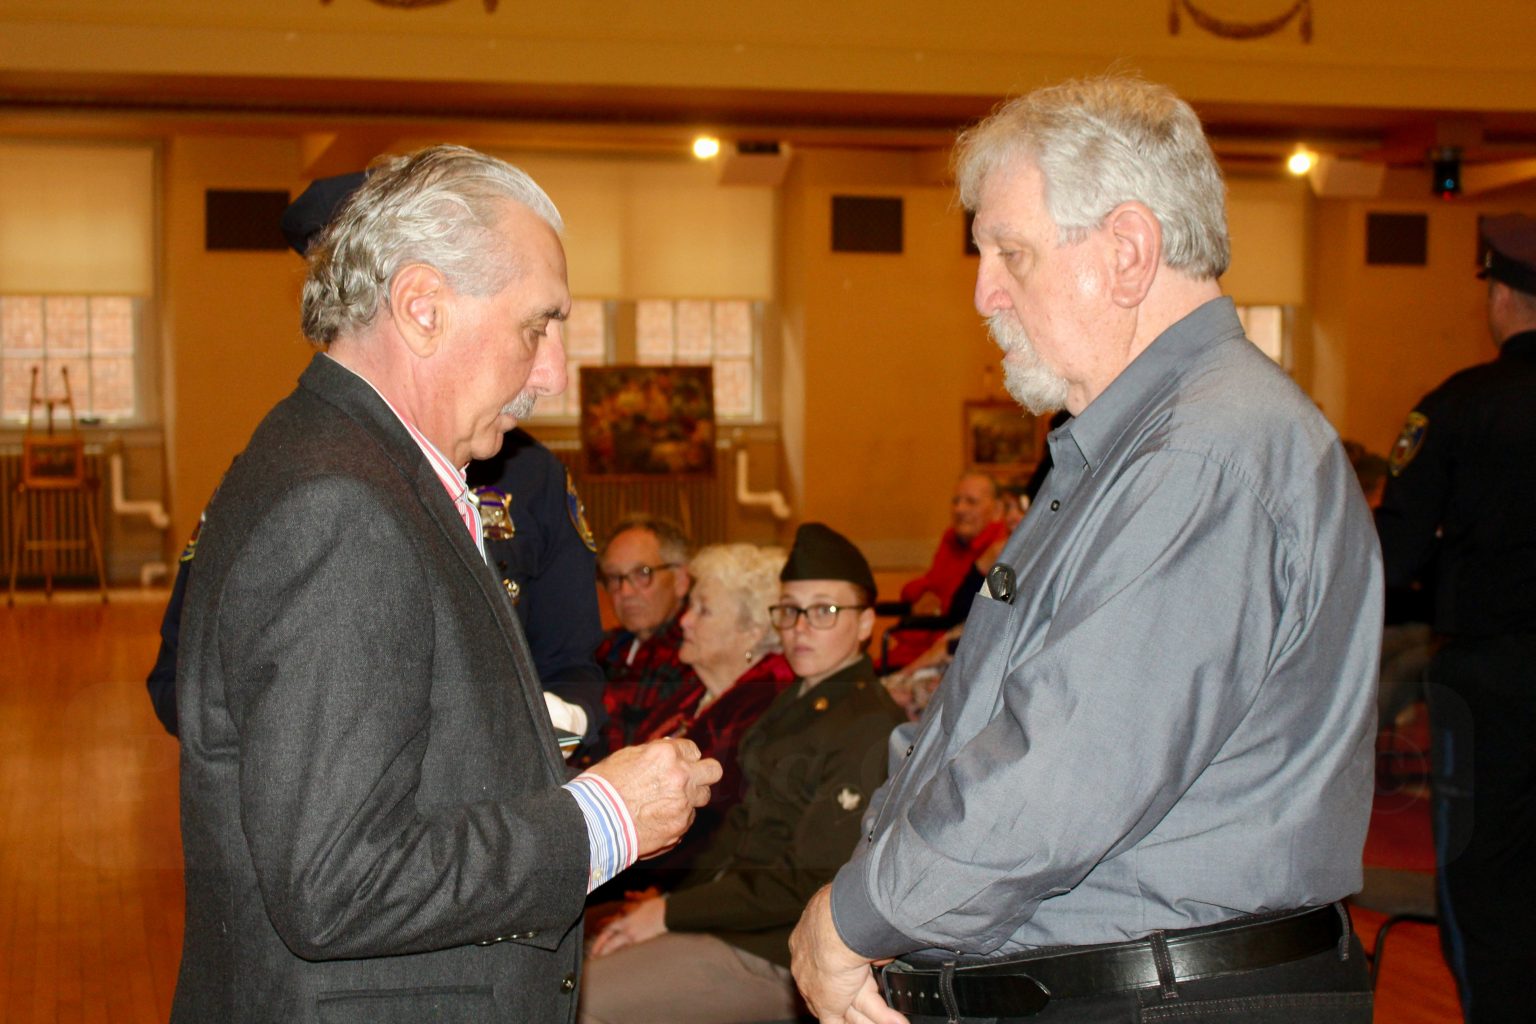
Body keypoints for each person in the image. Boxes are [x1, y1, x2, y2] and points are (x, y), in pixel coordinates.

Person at [790, 75, 1381, 1024]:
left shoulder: (1203, 454)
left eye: (1009, 253)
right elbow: (989, 720)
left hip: (1164, 995)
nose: (983, 291)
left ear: (1129, 253)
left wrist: (855, 919)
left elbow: (1056, 776)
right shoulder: (1148, 443)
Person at [170, 145, 720, 1023]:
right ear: (422, 307)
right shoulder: (339, 506)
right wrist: (600, 821)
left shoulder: (353, 463)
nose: (553, 372)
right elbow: (336, 883)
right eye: (537, 326)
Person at [147, 171, 608, 746]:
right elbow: (187, 683)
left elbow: (577, 666)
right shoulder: (306, 488)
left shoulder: (526, 472)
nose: (553, 376)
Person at [579, 523, 907, 1024]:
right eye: (791, 610)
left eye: (824, 611)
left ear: (866, 624)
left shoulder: (868, 724)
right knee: (570, 972)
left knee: (585, 1003)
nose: (799, 627)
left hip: (783, 949)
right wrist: (666, 905)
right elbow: (735, 836)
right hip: (733, 925)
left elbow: (803, 881)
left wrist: (668, 914)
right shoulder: (795, 702)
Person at [1374, 212, 1536, 1021]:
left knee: (1483, 877)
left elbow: (1391, 557)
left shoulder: (1462, 406)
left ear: (1502, 298)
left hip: (1491, 682)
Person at [625, 542, 795, 878]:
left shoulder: (764, 704)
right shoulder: (698, 690)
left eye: (704, 610)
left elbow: (715, 827)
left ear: (752, 632)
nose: (685, 620)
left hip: (682, 881)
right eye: (690, 606)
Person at [882, 473, 1007, 669]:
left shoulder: (1001, 550)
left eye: (971, 502)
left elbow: (963, 608)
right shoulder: (951, 540)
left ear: (998, 509)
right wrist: (925, 592)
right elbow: (931, 583)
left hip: (951, 653)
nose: (960, 509)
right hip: (919, 644)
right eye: (956, 501)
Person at [593, 515, 695, 754]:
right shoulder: (604, 649)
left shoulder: (694, 653)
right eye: (615, 578)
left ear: (680, 580)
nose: (625, 591)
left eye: (642, 573)